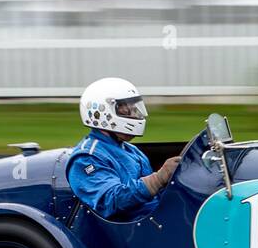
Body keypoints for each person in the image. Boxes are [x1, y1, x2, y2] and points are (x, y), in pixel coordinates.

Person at [67, 78, 180, 221]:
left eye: (134, 107)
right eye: (125, 108)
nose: (134, 112)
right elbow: (110, 201)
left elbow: (155, 196)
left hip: (155, 217)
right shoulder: (87, 158)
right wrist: (158, 179)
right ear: (102, 112)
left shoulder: (131, 150)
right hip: (135, 226)